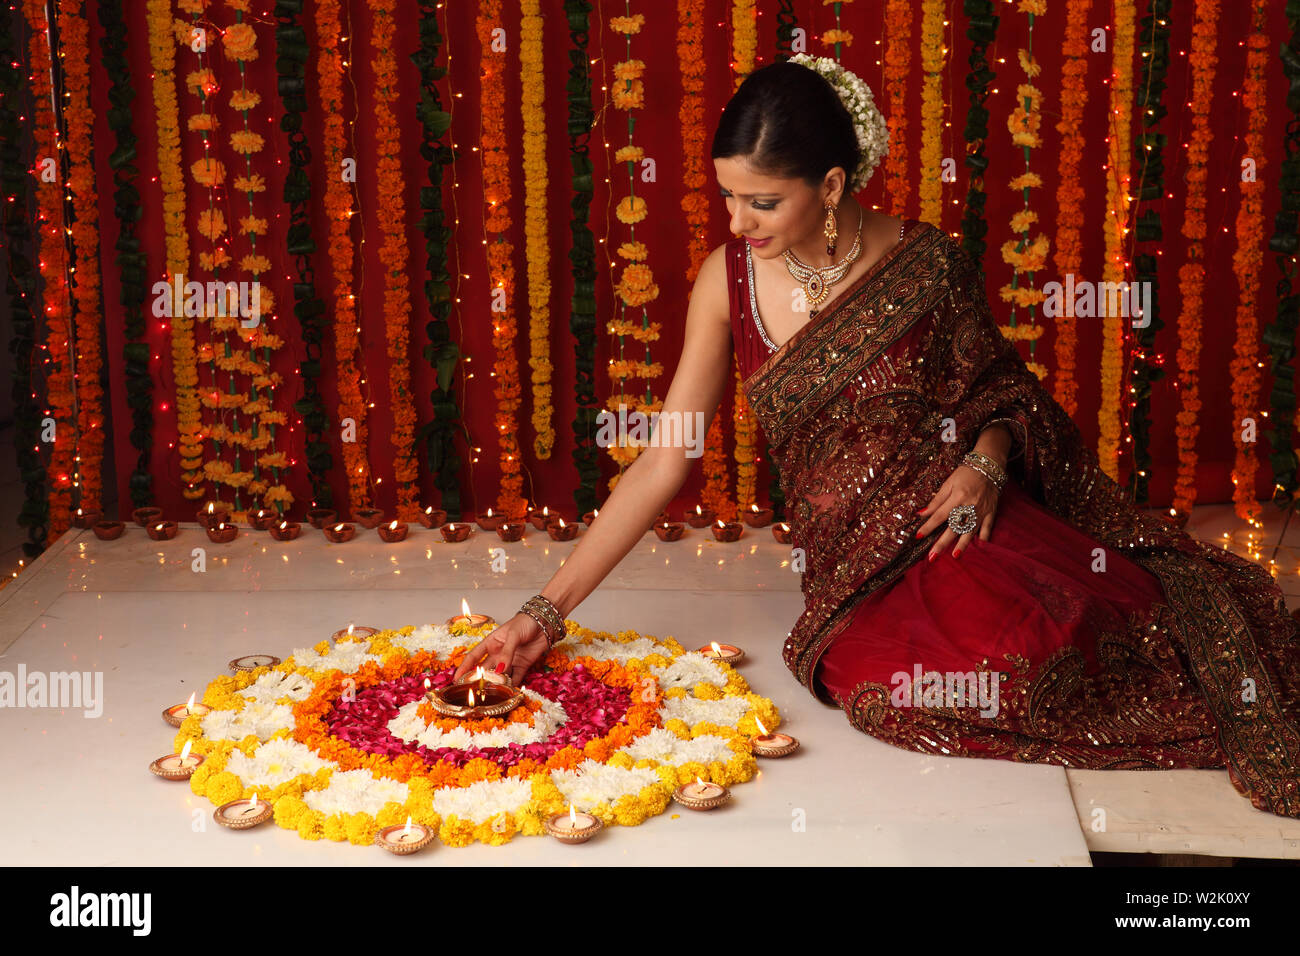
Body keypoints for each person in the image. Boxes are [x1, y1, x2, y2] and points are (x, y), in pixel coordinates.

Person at [455, 57, 1300, 818]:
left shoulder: (928, 264)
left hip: (955, 526)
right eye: (727, 198)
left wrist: (982, 463)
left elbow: (1002, 397)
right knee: (891, 694)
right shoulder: (726, 280)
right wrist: (546, 611)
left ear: (829, 185)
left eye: (762, 201)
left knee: (1081, 634)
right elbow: (668, 454)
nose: (739, 222)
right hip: (854, 573)